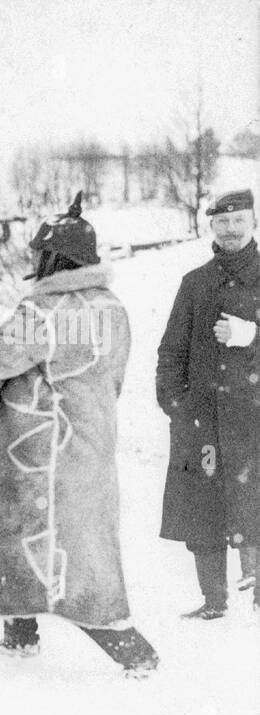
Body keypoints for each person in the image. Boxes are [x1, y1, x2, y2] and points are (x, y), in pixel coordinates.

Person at [0, 193, 159, 675]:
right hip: (88, 450)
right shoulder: (113, 308)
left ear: (52, 258)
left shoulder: (43, 312)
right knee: (68, 546)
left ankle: (135, 653)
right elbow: (112, 380)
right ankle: (19, 637)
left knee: (42, 549)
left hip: (36, 456)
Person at [156, 188, 260, 620]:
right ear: (212, 227)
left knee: (255, 501)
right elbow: (171, 351)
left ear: (254, 223)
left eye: (239, 221)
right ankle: (214, 601)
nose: (231, 229)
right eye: (222, 222)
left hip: (254, 419)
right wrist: (175, 404)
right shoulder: (195, 283)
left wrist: (252, 336)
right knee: (204, 507)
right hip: (203, 421)